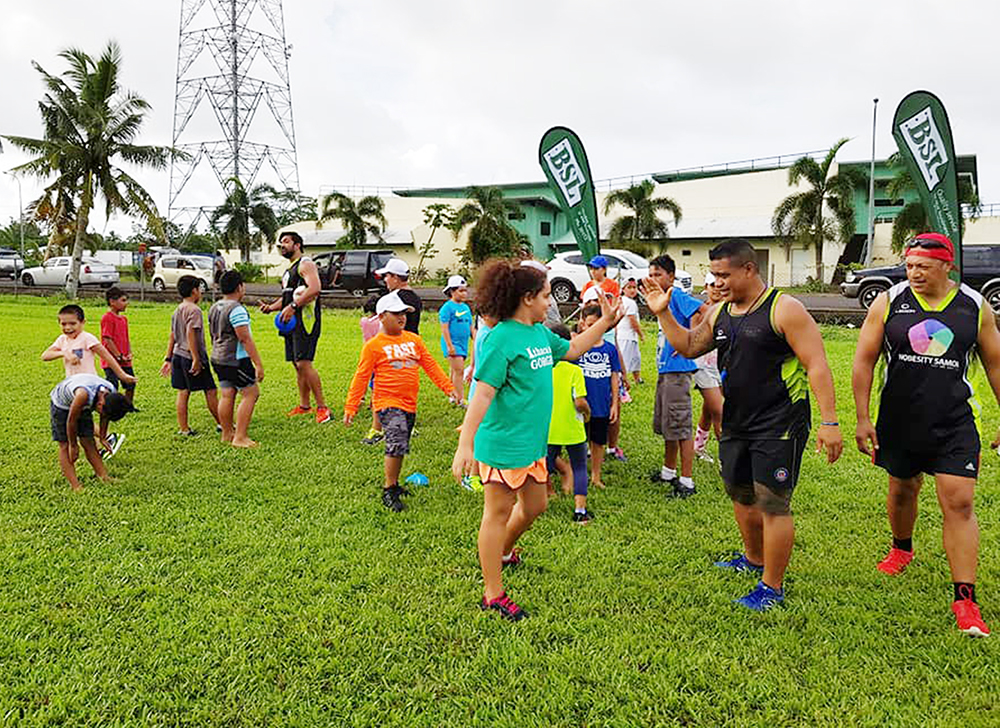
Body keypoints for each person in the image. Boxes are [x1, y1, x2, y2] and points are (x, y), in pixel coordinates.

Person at [644, 238, 842, 611]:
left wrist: (830, 421)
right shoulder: (721, 313)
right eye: (712, 274)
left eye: (723, 274)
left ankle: (772, 587)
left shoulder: (785, 309)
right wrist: (663, 313)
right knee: (740, 494)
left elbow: (817, 364)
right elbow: (687, 346)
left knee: (773, 503)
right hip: (736, 419)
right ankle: (753, 558)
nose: (715, 282)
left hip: (780, 423)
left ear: (748, 270)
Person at [452, 260, 620, 621]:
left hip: (531, 445)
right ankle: (492, 593)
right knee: (496, 514)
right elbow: (481, 395)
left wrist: (606, 322)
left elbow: (574, 349)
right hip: (502, 445)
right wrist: (465, 444)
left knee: (535, 506)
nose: (550, 302)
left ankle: (506, 552)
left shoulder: (539, 334)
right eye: (545, 296)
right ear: (527, 298)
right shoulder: (500, 339)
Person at [852, 232, 1000, 637]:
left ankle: (965, 599)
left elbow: (996, 365)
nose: (913, 273)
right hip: (899, 420)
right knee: (903, 489)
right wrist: (863, 418)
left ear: (946, 266)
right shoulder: (889, 301)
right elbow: (864, 361)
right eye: (909, 265)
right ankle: (902, 548)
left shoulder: (974, 306)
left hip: (954, 421)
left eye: (923, 267)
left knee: (960, 501)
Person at [345, 291, 457, 512]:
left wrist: (449, 388)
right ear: (382, 316)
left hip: (409, 403)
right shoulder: (374, 346)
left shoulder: (413, 340)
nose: (401, 317)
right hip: (387, 403)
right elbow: (361, 375)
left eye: (404, 313)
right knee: (396, 443)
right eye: (396, 313)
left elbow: (430, 365)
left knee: (401, 446)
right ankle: (389, 489)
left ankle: (394, 483)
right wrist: (352, 404)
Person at [647, 254, 708, 498]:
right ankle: (668, 472)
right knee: (668, 426)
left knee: (680, 427)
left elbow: (703, 310)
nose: (653, 279)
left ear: (671, 276)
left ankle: (687, 481)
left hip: (679, 371)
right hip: (666, 370)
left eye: (658, 274)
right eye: (651, 274)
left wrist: (690, 338)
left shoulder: (677, 295)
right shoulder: (660, 299)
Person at [42, 303, 136, 457]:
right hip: (74, 388)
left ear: (83, 322)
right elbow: (45, 355)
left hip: (90, 389)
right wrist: (64, 353)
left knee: (85, 419)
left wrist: (122, 375)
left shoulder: (87, 338)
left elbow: (106, 356)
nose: (68, 327)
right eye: (63, 324)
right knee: (83, 420)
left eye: (72, 323)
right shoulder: (62, 340)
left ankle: (105, 439)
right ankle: (105, 440)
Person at [259, 231, 331, 424]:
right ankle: (305, 405)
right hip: (290, 323)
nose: (282, 245)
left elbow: (314, 288)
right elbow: (288, 297)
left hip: (305, 322)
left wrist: (293, 307)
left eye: (286, 241)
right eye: (281, 242)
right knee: (296, 364)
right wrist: (271, 307)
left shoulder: (305, 264)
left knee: (303, 363)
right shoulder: (289, 269)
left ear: (297, 244)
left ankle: (323, 408)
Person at [49, 373, 136, 491]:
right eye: (102, 412)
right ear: (100, 404)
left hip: (84, 404)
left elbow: (105, 416)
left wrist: (102, 437)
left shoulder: (110, 393)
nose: (102, 415)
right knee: (65, 445)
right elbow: (71, 421)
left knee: (89, 441)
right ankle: (75, 486)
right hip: (62, 405)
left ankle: (103, 476)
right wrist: (74, 445)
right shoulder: (83, 395)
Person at [208, 270, 265, 448]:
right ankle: (240, 437)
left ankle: (227, 433)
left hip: (218, 358)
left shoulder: (215, 307)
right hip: (236, 359)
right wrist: (258, 363)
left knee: (227, 395)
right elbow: (244, 338)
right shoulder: (237, 309)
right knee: (251, 393)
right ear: (240, 287)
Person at [159, 275, 221, 436]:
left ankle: (184, 429)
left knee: (183, 391)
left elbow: (172, 334)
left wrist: (168, 358)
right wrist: (196, 358)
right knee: (210, 390)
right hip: (190, 356)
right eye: (199, 289)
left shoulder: (178, 309)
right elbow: (190, 333)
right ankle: (223, 423)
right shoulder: (194, 310)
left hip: (178, 355)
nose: (201, 292)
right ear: (194, 291)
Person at [547, 323, 592, 522]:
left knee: (544, 465)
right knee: (580, 466)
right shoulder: (575, 370)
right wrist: (588, 413)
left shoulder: (543, 369)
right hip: (573, 428)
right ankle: (580, 511)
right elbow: (580, 402)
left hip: (548, 428)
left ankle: (543, 499)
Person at [578, 304, 621, 490]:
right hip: (579, 406)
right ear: (582, 324)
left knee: (598, 441)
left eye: (597, 324)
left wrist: (614, 404)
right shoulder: (576, 347)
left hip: (601, 405)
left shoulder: (610, 350)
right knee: (578, 441)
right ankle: (578, 474)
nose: (593, 329)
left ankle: (596, 475)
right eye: (589, 324)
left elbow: (614, 376)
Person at [693, 273, 724, 462]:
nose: (716, 288)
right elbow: (691, 336)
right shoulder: (699, 311)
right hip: (703, 367)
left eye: (719, 285)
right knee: (720, 411)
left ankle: (698, 446)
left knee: (709, 408)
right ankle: (727, 459)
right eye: (712, 285)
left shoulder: (729, 309)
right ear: (706, 286)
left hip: (723, 366)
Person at [439, 275, 475, 406]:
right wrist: (449, 345)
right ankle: (461, 399)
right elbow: (444, 328)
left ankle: (452, 395)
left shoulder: (465, 308)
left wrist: (475, 337)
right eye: (461, 290)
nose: (464, 293)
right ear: (452, 291)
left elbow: (470, 325)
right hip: (453, 344)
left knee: (454, 370)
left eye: (465, 290)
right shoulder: (447, 308)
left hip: (463, 344)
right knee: (459, 371)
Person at [100, 288, 136, 404]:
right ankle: (109, 405)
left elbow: (126, 338)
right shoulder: (107, 318)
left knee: (130, 383)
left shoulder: (124, 319)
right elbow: (107, 339)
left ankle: (128, 405)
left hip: (124, 359)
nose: (126, 303)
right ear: (112, 302)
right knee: (112, 384)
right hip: (111, 360)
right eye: (123, 300)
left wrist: (128, 353)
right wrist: (118, 355)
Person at [359, 294, 383, 444]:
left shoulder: (364, 322)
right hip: (380, 355)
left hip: (367, 353)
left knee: (367, 378)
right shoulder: (382, 322)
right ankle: (373, 405)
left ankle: (363, 400)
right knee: (377, 384)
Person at [617, 277, 644, 385]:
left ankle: (637, 378)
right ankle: (621, 380)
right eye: (629, 287)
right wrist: (641, 334)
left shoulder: (624, 301)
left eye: (634, 287)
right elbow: (633, 321)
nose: (633, 290)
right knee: (625, 360)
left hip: (629, 337)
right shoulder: (629, 302)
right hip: (626, 336)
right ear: (623, 289)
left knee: (635, 358)